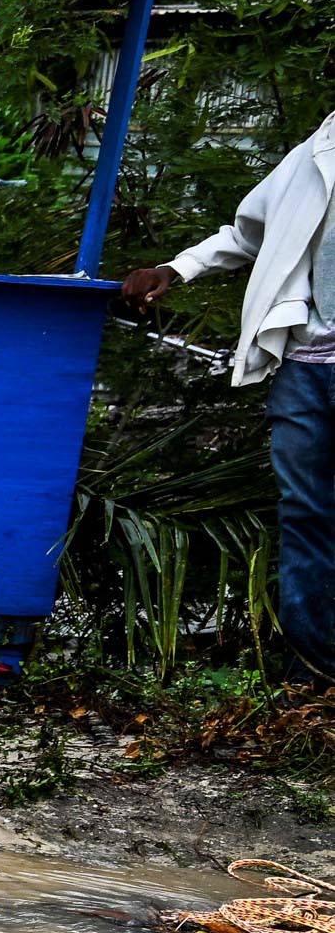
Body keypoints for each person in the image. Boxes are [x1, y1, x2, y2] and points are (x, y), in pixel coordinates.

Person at [116, 110, 335, 676]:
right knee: (306, 510)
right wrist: (176, 267)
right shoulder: (317, 148)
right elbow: (246, 234)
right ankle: (313, 664)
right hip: (305, 362)